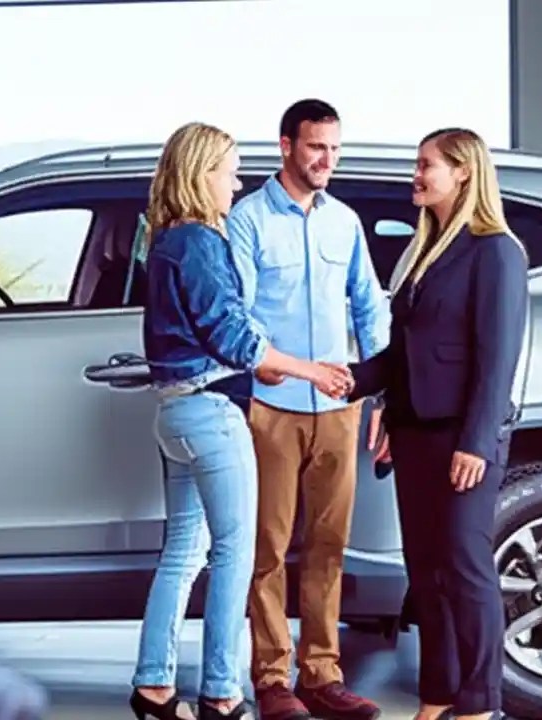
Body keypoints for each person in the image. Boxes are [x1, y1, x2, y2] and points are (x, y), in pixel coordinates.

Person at [130, 121, 353, 720]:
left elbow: (215, 335)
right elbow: (233, 335)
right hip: (211, 415)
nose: (237, 182)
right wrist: (307, 369)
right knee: (236, 553)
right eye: (229, 171)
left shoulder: (167, 238)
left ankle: (153, 688)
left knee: (180, 554)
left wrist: (269, 364)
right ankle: (223, 694)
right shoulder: (200, 240)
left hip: (175, 413)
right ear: (202, 173)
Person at [348, 128, 528, 720]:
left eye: (427, 165)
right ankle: (438, 697)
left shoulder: (494, 250)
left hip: (462, 437)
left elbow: (496, 358)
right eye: (417, 165)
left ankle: (479, 705)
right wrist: (350, 381)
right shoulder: (425, 252)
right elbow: (403, 354)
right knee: (425, 571)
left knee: (465, 567)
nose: (416, 175)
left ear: (464, 172)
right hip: (415, 432)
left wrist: (477, 442)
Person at [225, 99, 387, 720]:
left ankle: (321, 674)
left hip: (339, 409)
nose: (327, 159)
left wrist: (382, 393)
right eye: (317, 146)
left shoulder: (343, 222)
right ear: (286, 146)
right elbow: (237, 318)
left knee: (329, 545)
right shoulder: (247, 221)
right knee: (267, 547)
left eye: (335, 148)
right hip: (270, 407)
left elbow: (369, 307)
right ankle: (272, 680)